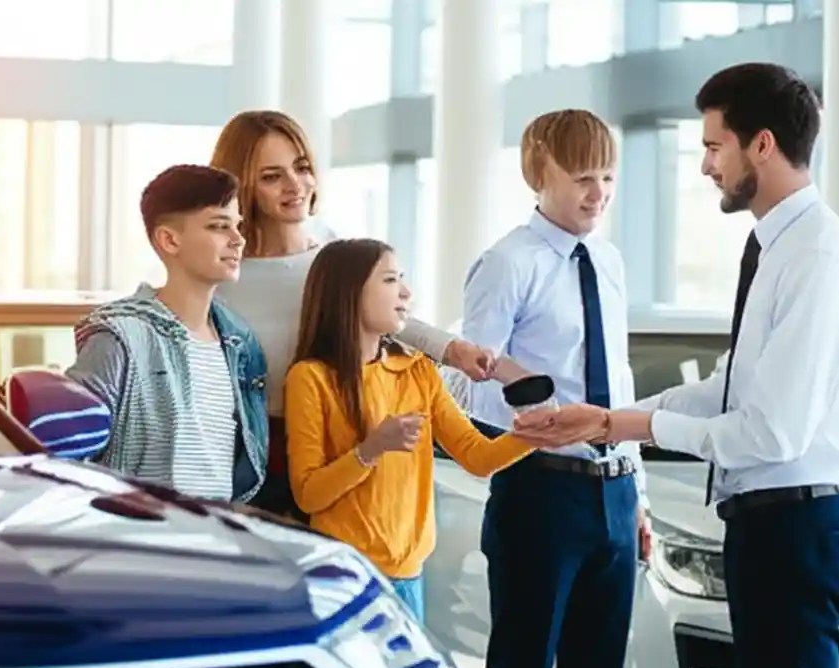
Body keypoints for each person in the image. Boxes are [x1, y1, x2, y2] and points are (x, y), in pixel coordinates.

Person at [514, 63, 839, 668]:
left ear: (761, 144)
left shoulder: (815, 254)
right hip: (770, 524)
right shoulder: (777, 247)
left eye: (712, 146)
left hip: (795, 524)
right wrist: (612, 418)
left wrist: (627, 429)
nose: (704, 166)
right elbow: (732, 390)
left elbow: (770, 432)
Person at [209, 109, 496, 520]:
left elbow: (387, 316)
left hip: (345, 438)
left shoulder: (332, 248)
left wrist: (453, 350)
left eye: (302, 167)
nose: (295, 185)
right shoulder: (224, 272)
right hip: (258, 454)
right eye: (272, 176)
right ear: (242, 184)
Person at [457, 109, 646, 668]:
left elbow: (619, 380)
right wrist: (544, 415)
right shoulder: (509, 262)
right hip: (540, 492)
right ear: (541, 174)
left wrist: (636, 491)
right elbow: (468, 382)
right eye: (584, 178)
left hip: (612, 495)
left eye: (609, 179)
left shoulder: (610, 262)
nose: (600, 194)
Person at [283, 239, 536, 624]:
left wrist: (535, 435)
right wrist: (370, 450)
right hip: (344, 577)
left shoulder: (418, 371)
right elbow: (309, 494)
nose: (406, 292)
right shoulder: (310, 378)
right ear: (350, 293)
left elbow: (478, 457)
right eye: (390, 280)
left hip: (409, 575)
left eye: (403, 279)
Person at [67, 164, 268, 503]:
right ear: (170, 240)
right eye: (219, 226)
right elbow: (65, 451)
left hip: (215, 538)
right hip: (141, 541)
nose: (238, 239)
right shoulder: (120, 338)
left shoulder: (239, 343)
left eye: (237, 225)